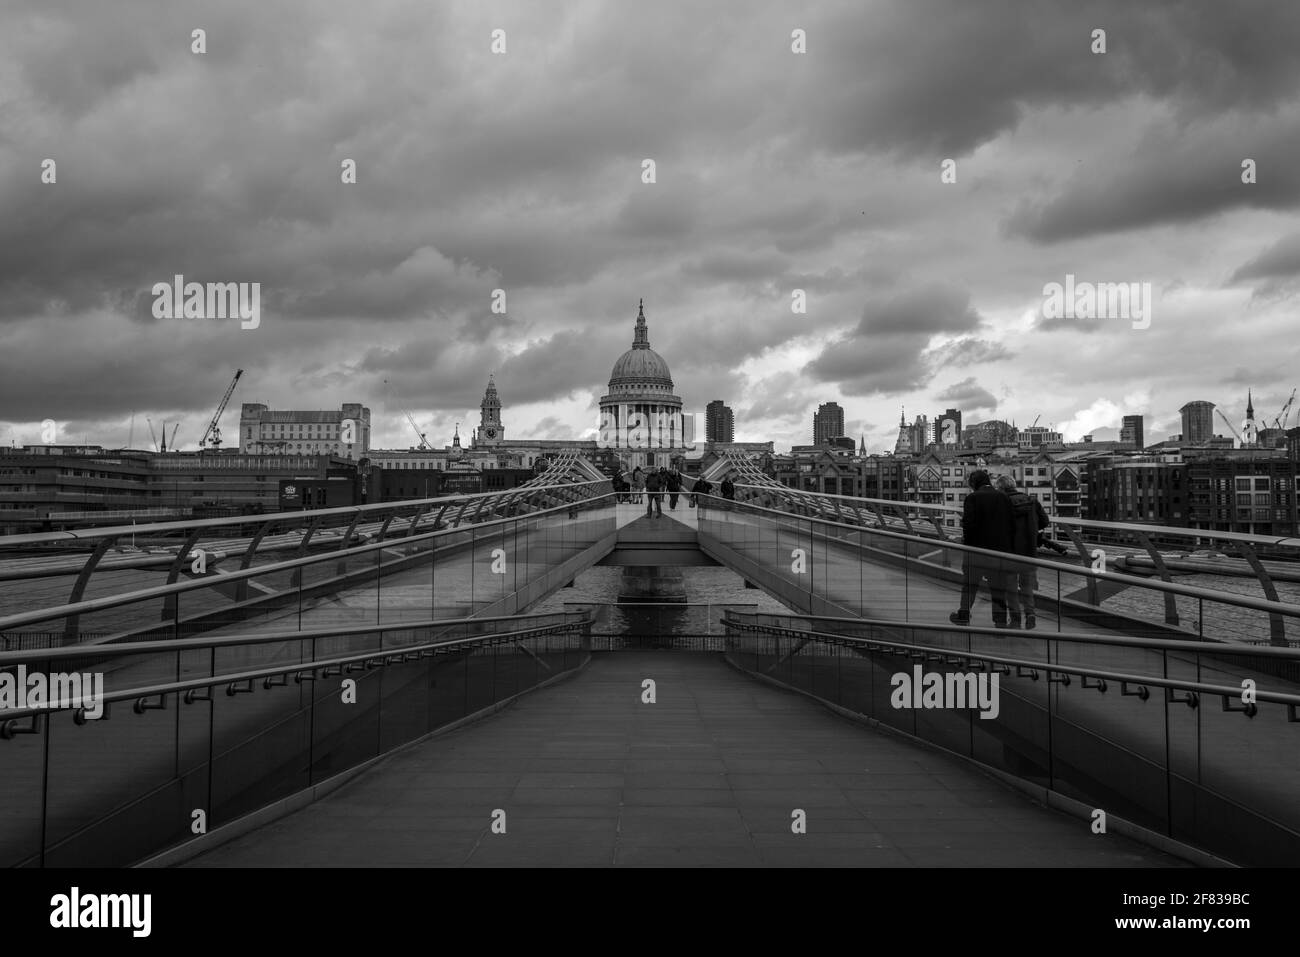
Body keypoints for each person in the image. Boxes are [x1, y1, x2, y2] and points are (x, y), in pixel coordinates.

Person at [949, 468, 1016, 629]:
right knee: (998, 589)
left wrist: (969, 547)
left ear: (974, 483)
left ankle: (963, 615)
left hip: (977, 552)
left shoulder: (972, 498)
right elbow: (1011, 525)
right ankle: (1000, 621)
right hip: (999, 552)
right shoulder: (1003, 497)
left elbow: (969, 526)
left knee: (970, 586)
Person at [995, 474, 1050, 630]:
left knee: (1010, 588)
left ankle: (1015, 618)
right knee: (1027, 587)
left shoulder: (1001, 504)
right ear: (1014, 485)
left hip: (1009, 553)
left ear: (1000, 488)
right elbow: (1045, 521)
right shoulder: (1032, 501)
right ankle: (1031, 615)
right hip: (1029, 552)